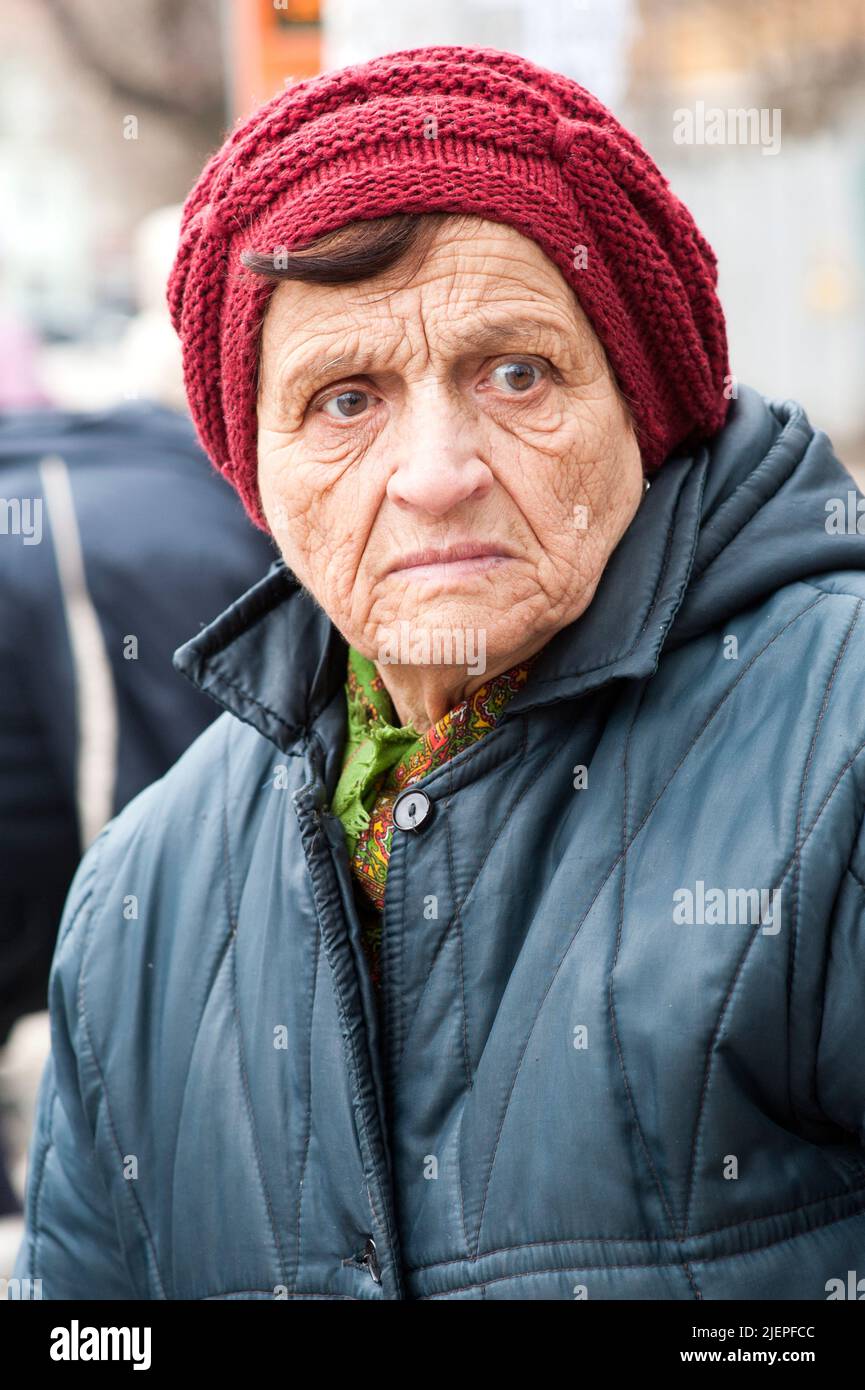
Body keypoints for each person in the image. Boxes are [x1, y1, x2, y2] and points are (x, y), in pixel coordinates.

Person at [10, 45, 865, 1301]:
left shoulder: (835, 744)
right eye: (344, 399)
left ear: (645, 402)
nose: (432, 471)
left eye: (514, 373)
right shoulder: (145, 887)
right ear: (255, 468)